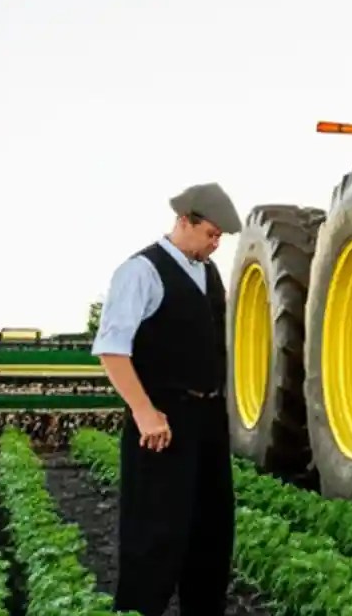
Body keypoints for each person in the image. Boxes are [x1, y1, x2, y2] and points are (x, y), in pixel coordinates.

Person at [91, 182, 242, 616]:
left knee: (210, 533)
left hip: (207, 421)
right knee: (154, 537)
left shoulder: (207, 273)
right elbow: (112, 349)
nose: (215, 245)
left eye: (220, 238)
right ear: (184, 221)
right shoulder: (141, 271)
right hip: (162, 421)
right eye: (211, 234)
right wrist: (144, 412)